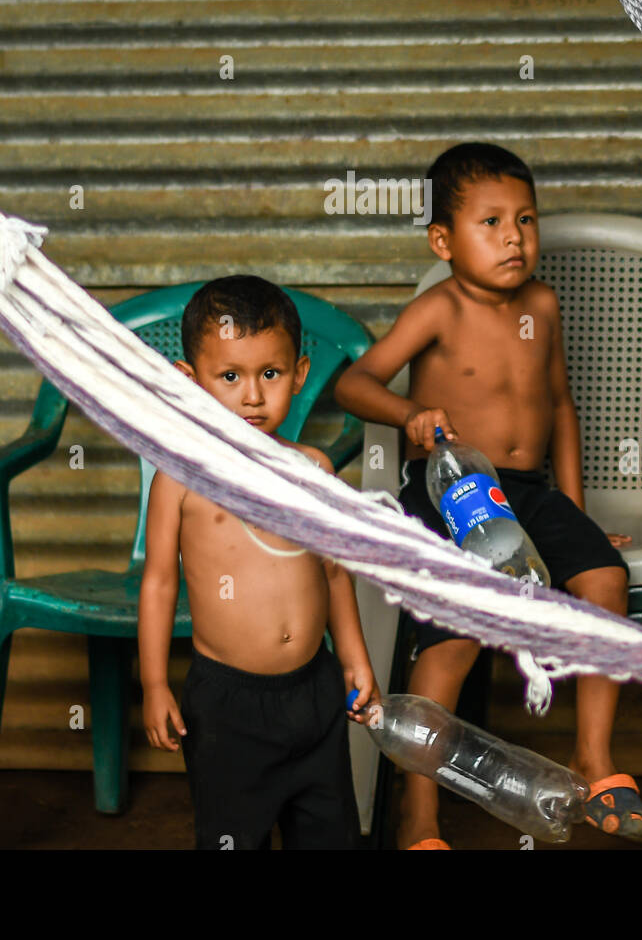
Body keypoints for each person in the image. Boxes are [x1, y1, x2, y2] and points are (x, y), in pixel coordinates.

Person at [334, 142, 642, 848]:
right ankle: (419, 815)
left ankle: (595, 759)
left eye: (526, 219)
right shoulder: (439, 310)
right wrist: (409, 417)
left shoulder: (542, 305)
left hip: (529, 493)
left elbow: (561, 407)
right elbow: (353, 384)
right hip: (456, 492)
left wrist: (574, 512)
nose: (514, 237)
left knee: (605, 578)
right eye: (490, 222)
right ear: (443, 241)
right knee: (454, 638)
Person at [138, 274, 377, 850]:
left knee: (329, 834)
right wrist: (153, 683)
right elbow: (159, 582)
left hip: (315, 688)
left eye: (269, 374)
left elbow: (335, 570)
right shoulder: (180, 479)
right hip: (228, 705)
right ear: (190, 382)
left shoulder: (314, 470)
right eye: (229, 377)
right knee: (232, 837)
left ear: (298, 373)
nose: (251, 395)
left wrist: (353, 656)